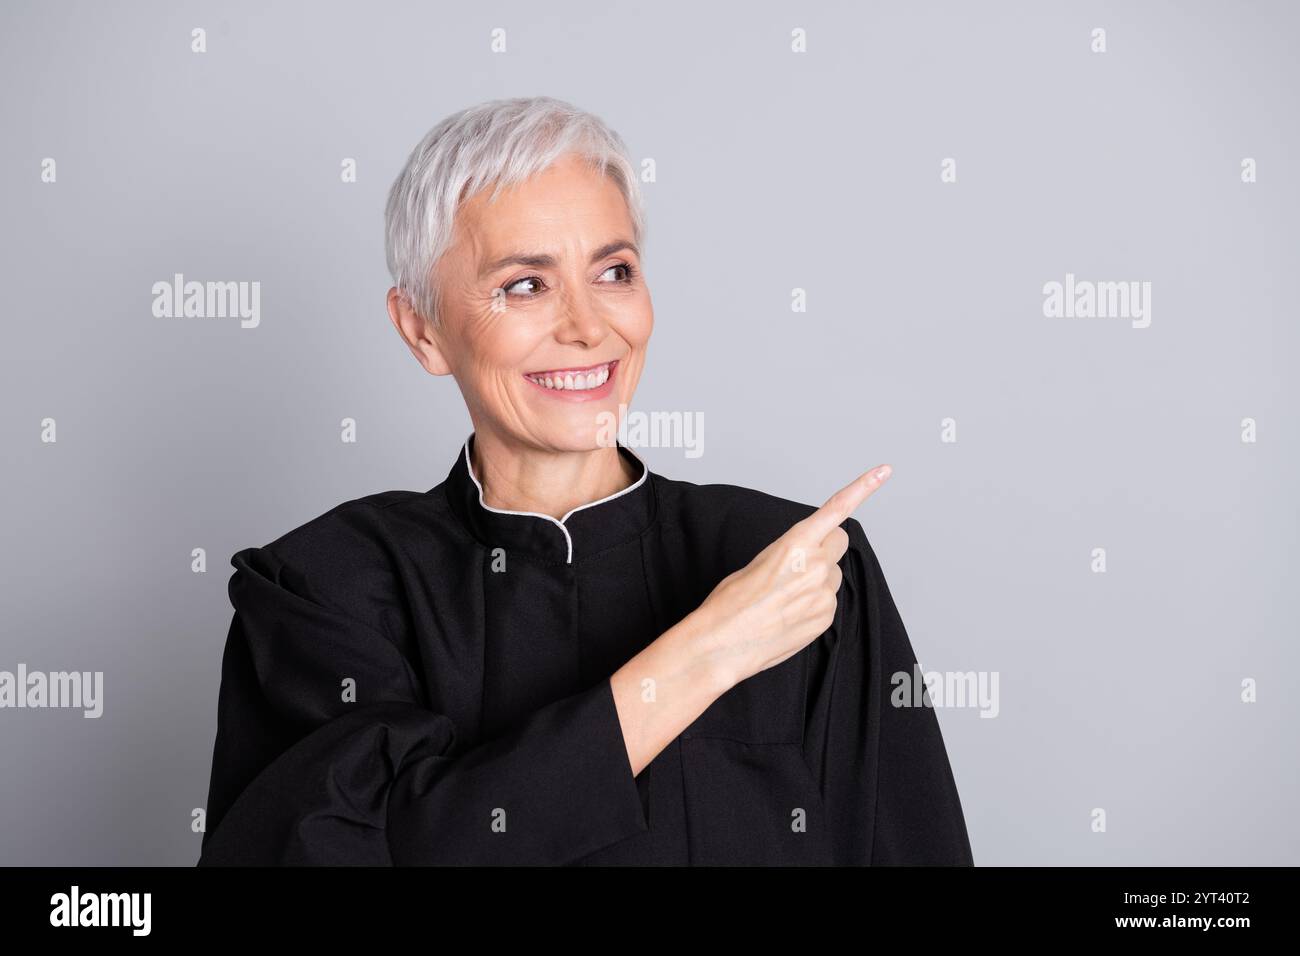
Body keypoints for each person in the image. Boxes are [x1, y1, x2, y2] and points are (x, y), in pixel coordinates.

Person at [197, 96, 974, 866]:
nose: (589, 326)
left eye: (613, 271)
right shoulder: (324, 589)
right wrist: (705, 652)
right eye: (526, 285)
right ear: (423, 329)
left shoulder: (792, 566)